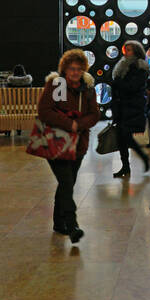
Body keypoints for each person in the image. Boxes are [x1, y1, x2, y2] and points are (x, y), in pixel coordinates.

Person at [37, 48, 100, 242]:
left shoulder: (87, 88)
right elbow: (45, 112)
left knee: (67, 184)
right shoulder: (57, 85)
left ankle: (58, 222)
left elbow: (95, 115)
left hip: (78, 144)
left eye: (79, 69)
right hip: (56, 143)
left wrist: (78, 125)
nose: (75, 72)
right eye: (71, 68)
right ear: (65, 69)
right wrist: (69, 123)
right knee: (66, 182)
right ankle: (72, 226)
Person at [111, 41, 150, 178]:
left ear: (136, 51)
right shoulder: (123, 65)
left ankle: (141, 159)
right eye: (125, 49)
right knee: (122, 138)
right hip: (122, 106)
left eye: (129, 50)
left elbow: (133, 87)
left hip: (132, 106)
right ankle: (126, 166)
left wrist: (117, 83)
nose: (126, 52)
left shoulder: (140, 67)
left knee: (125, 136)